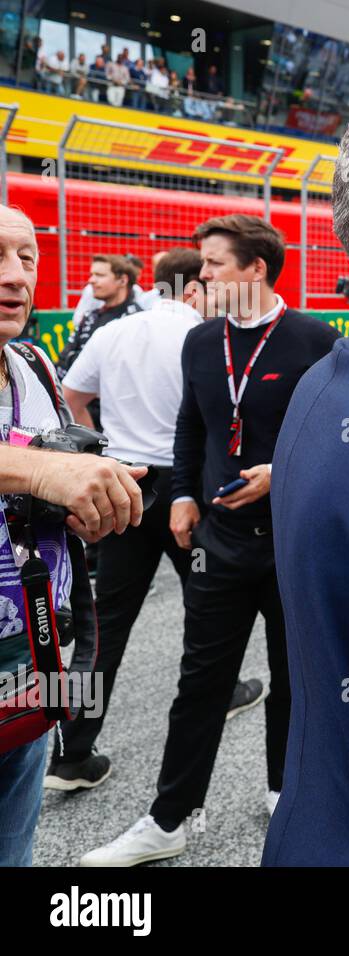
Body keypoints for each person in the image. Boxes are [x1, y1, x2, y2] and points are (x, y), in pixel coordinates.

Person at [79, 216, 338, 866]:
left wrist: (285, 473)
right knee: (200, 684)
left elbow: (344, 433)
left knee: (295, 679)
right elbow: (190, 424)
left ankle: (287, 790)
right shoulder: (200, 342)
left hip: (294, 543)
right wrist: (186, 494)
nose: (202, 277)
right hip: (219, 544)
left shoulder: (314, 339)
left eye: (215, 264)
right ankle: (168, 819)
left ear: (256, 270)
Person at [0, 204, 146, 867]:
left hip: (29, 648)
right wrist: (43, 469)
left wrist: (84, 505)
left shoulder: (34, 362)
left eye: (26, 258)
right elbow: (37, 470)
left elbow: (43, 497)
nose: (14, 278)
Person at [53, 249, 206, 790]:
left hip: (124, 483)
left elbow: (73, 396)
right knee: (212, 611)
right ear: (194, 289)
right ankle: (222, 691)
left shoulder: (115, 331)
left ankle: (71, 750)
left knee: (106, 627)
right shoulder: (204, 337)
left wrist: (103, 453)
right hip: (187, 487)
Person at [56, 255, 143, 382]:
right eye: (92, 274)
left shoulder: (136, 320)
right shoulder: (90, 316)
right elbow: (63, 361)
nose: (91, 280)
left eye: (99, 275)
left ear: (123, 281)